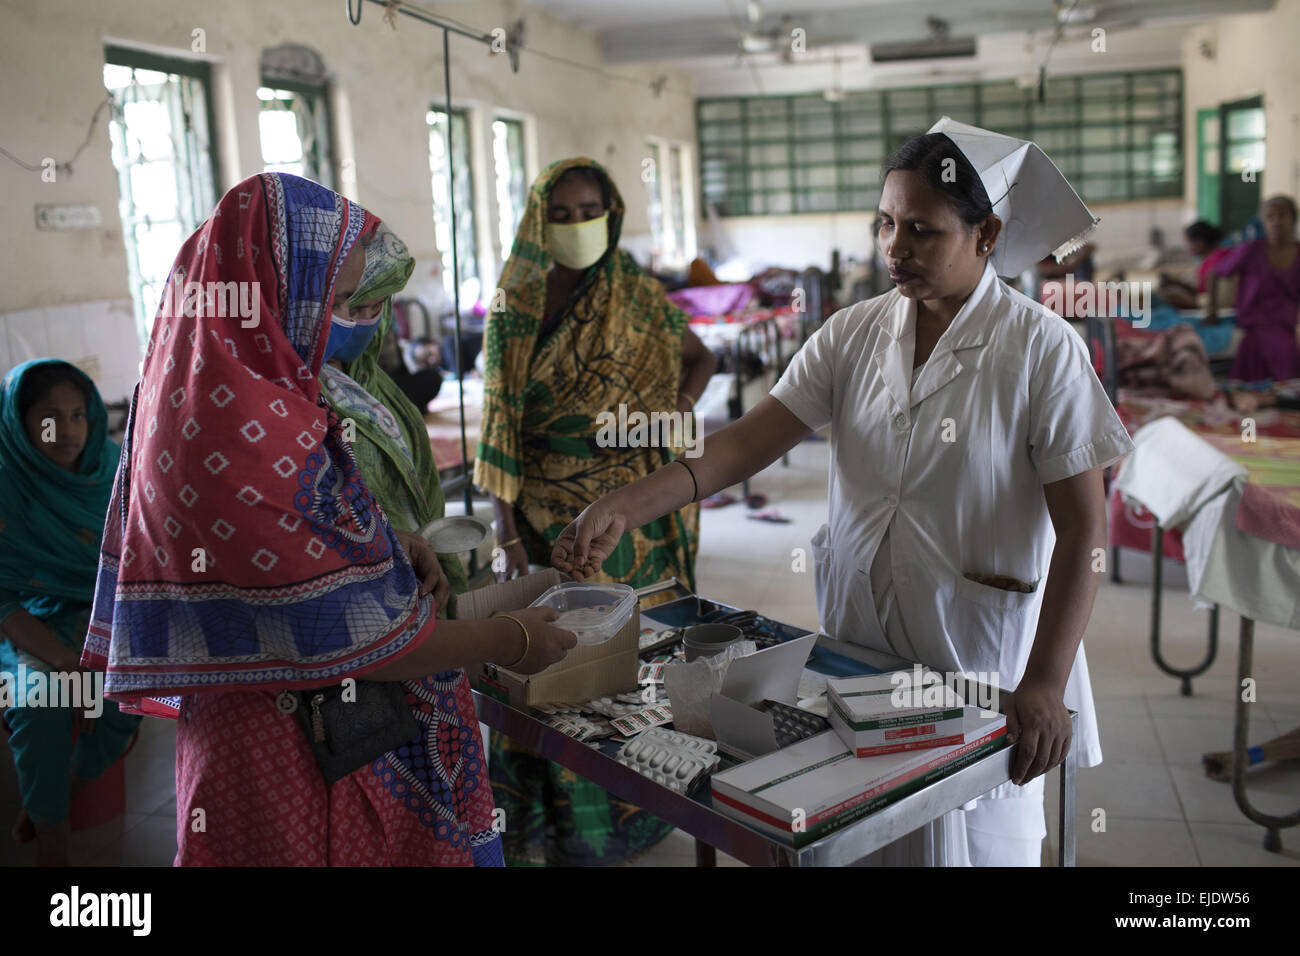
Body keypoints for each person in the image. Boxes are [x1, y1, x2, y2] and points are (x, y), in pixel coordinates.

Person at [554, 121, 1135, 867]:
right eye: (886, 224)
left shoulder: (1040, 349)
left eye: (922, 230)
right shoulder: (853, 335)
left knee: (979, 843)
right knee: (870, 834)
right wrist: (627, 503)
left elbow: (1086, 529)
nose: (895, 248)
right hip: (863, 651)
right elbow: (743, 443)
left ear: (986, 233)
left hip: (985, 657)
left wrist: (1048, 679)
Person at [81, 172, 576, 866]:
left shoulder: (197, 385)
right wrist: (508, 637)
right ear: (274, 291)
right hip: (306, 753)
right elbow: (350, 641)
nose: (347, 316)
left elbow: (291, 548)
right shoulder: (250, 429)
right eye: (335, 299)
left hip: (252, 736)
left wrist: (382, 542)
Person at [474, 157, 716, 865]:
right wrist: (507, 534)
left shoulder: (636, 295)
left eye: (590, 212)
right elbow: (499, 430)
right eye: (563, 213)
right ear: (538, 219)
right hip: (550, 521)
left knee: (630, 671)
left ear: (610, 215)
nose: (578, 226)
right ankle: (554, 828)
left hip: (636, 518)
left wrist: (672, 416)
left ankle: (638, 811)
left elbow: (698, 357)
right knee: (548, 670)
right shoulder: (515, 309)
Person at [0, 359, 142, 866]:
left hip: (108, 617)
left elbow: (140, 567)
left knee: (136, 697)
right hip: (29, 627)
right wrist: (65, 663)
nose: (67, 431)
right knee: (40, 705)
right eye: (49, 417)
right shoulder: (6, 483)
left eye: (78, 414)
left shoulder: (114, 472)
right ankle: (53, 850)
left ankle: (53, 803)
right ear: (18, 421)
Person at [1208, 195, 1300, 381]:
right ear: (1263, 222)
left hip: (1285, 326)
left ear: (1293, 219)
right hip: (1253, 325)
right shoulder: (1251, 250)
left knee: (1286, 351)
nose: (1276, 222)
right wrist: (1212, 311)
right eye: (1270, 217)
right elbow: (1214, 273)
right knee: (1270, 349)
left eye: (1282, 215)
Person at [1158, 220, 1230, 309]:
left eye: (1188, 242)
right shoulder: (1218, 255)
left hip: (1214, 305)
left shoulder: (1215, 260)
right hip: (1210, 301)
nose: (1187, 246)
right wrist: (1176, 282)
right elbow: (1201, 289)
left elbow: (1204, 293)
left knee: (1167, 296)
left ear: (1200, 242)